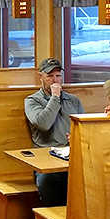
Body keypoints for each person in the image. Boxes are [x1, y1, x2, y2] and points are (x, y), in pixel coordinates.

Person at [24, 58, 84, 206]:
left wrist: (76, 136)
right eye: (50, 76)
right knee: (48, 183)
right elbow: (43, 123)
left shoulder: (73, 100)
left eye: (58, 76)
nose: (54, 80)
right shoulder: (32, 101)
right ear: (41, 77)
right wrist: (55, 98)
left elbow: (83, 126)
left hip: (71, 155)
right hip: (46, 157)